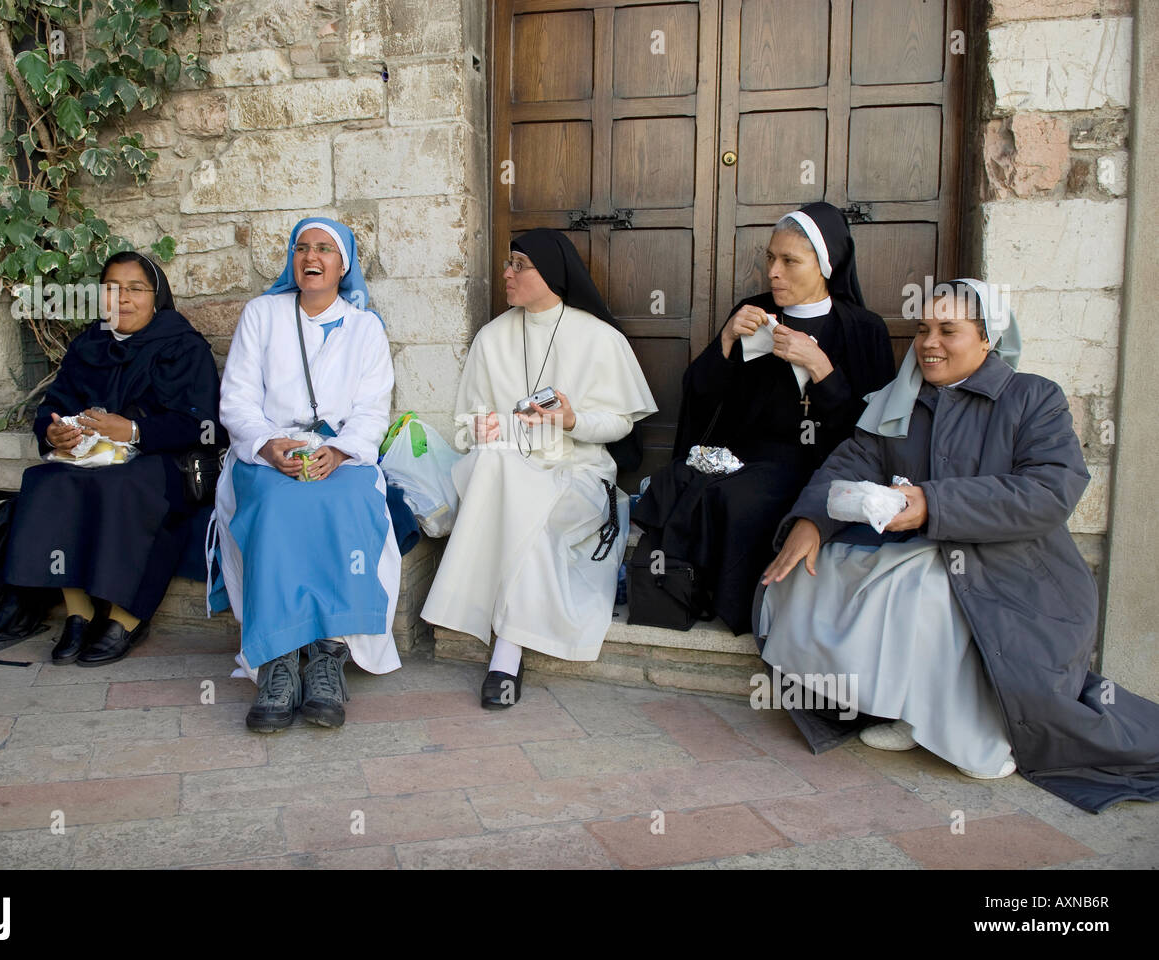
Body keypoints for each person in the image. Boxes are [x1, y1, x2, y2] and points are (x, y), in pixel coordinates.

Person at [757, 280, 1159, 811]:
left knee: (921, 592)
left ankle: (974, 739)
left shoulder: (1033, 397)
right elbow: (850, 465)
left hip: (1019, 568)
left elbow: (1048, 492)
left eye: (949, 330)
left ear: (988, 339)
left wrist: (933, 504)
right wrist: (812, 521)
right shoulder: (898, 402)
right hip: (934, 552)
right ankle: (909, 710)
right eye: (923, 329)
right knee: (818, 574)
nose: (929, 343)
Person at [631, 202, 896, 633]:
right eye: (770, 258)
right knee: (676, 481)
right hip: (743, 454)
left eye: (790, 261)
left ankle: (735, 604)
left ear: (827, 265)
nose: (773, 271)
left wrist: (820, 367)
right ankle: (676, 588)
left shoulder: (863, 329)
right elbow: (700, 391)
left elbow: (871, 427)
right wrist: (728, 339)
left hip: (819, 461)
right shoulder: (753, 310)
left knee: (739, 499)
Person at [421, 228, 657, 709]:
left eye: (519, 265)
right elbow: (468, 429)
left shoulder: (598, 337)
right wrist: (504, 429)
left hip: (579, 477)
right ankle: (507, 653)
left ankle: (502, 650)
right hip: (508, 476)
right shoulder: (492, 338)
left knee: (518, 504)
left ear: (550, 272)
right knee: (502, 470)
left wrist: (569, 420)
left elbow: (619, 423)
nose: (506, 273)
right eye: (508, 263)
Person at [210, 217, 400, 732]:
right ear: (292, 260)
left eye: (324, 249)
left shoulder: (366, 329)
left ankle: (325, 658)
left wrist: (338, 453)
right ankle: (276, 663)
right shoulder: (262, 314)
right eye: (302, 248)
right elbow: (238, 399)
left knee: (347, 503)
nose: (310, 257)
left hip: (340, 454)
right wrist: (269, 447)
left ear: (344, 265)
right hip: (268, 450)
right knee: (275, 507)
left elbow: (371, 413)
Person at [3, 251, 223, 665]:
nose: (121, 298)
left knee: (125, 487)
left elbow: (208, 428)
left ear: (155, 297)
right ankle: (78, 613)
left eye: (135, 289)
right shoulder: (90, 345)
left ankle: (126, 618)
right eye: (111, 288)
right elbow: (54, 406)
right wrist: (54, 432)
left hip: (163, 462)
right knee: (47, 482)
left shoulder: (183, 346)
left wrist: (136, 431)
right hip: (91, 459)